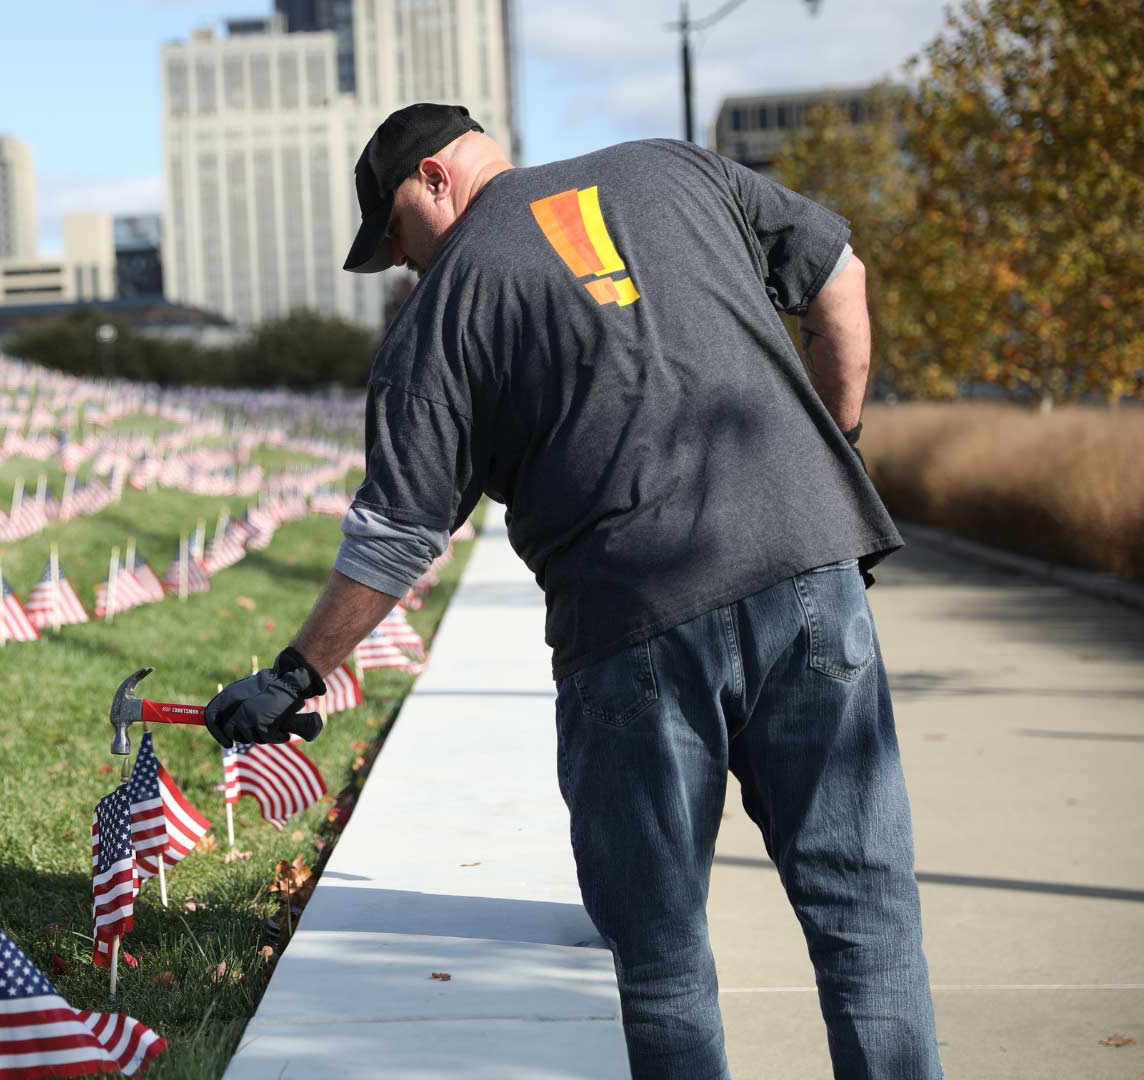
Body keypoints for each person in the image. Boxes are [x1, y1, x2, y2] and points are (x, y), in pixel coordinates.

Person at [202, 103, 941, 1080]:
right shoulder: (672, 167)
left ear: (432, 177)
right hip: (812, 578)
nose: (406, 266)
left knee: (663, 945)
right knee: (865, 909)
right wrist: (831, 450)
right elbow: (839, 278)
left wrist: (298, 673)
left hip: (635, 624)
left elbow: (396, 535)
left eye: (395, 241)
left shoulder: (446, 305)